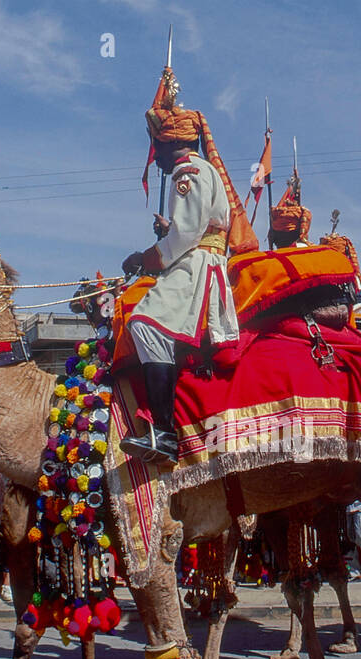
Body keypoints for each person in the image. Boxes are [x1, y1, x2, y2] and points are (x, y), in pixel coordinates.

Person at [119, 67, 258, 464]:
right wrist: (170, 230)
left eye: (156, 149)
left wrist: (144, 258)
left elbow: (185, 236)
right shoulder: (200, 170)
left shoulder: (188, 171)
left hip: (196, 268)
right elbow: (193, 225)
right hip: (200, 259)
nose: (155, 158)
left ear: (169, 144)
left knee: (146, 325)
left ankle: (163, 435)